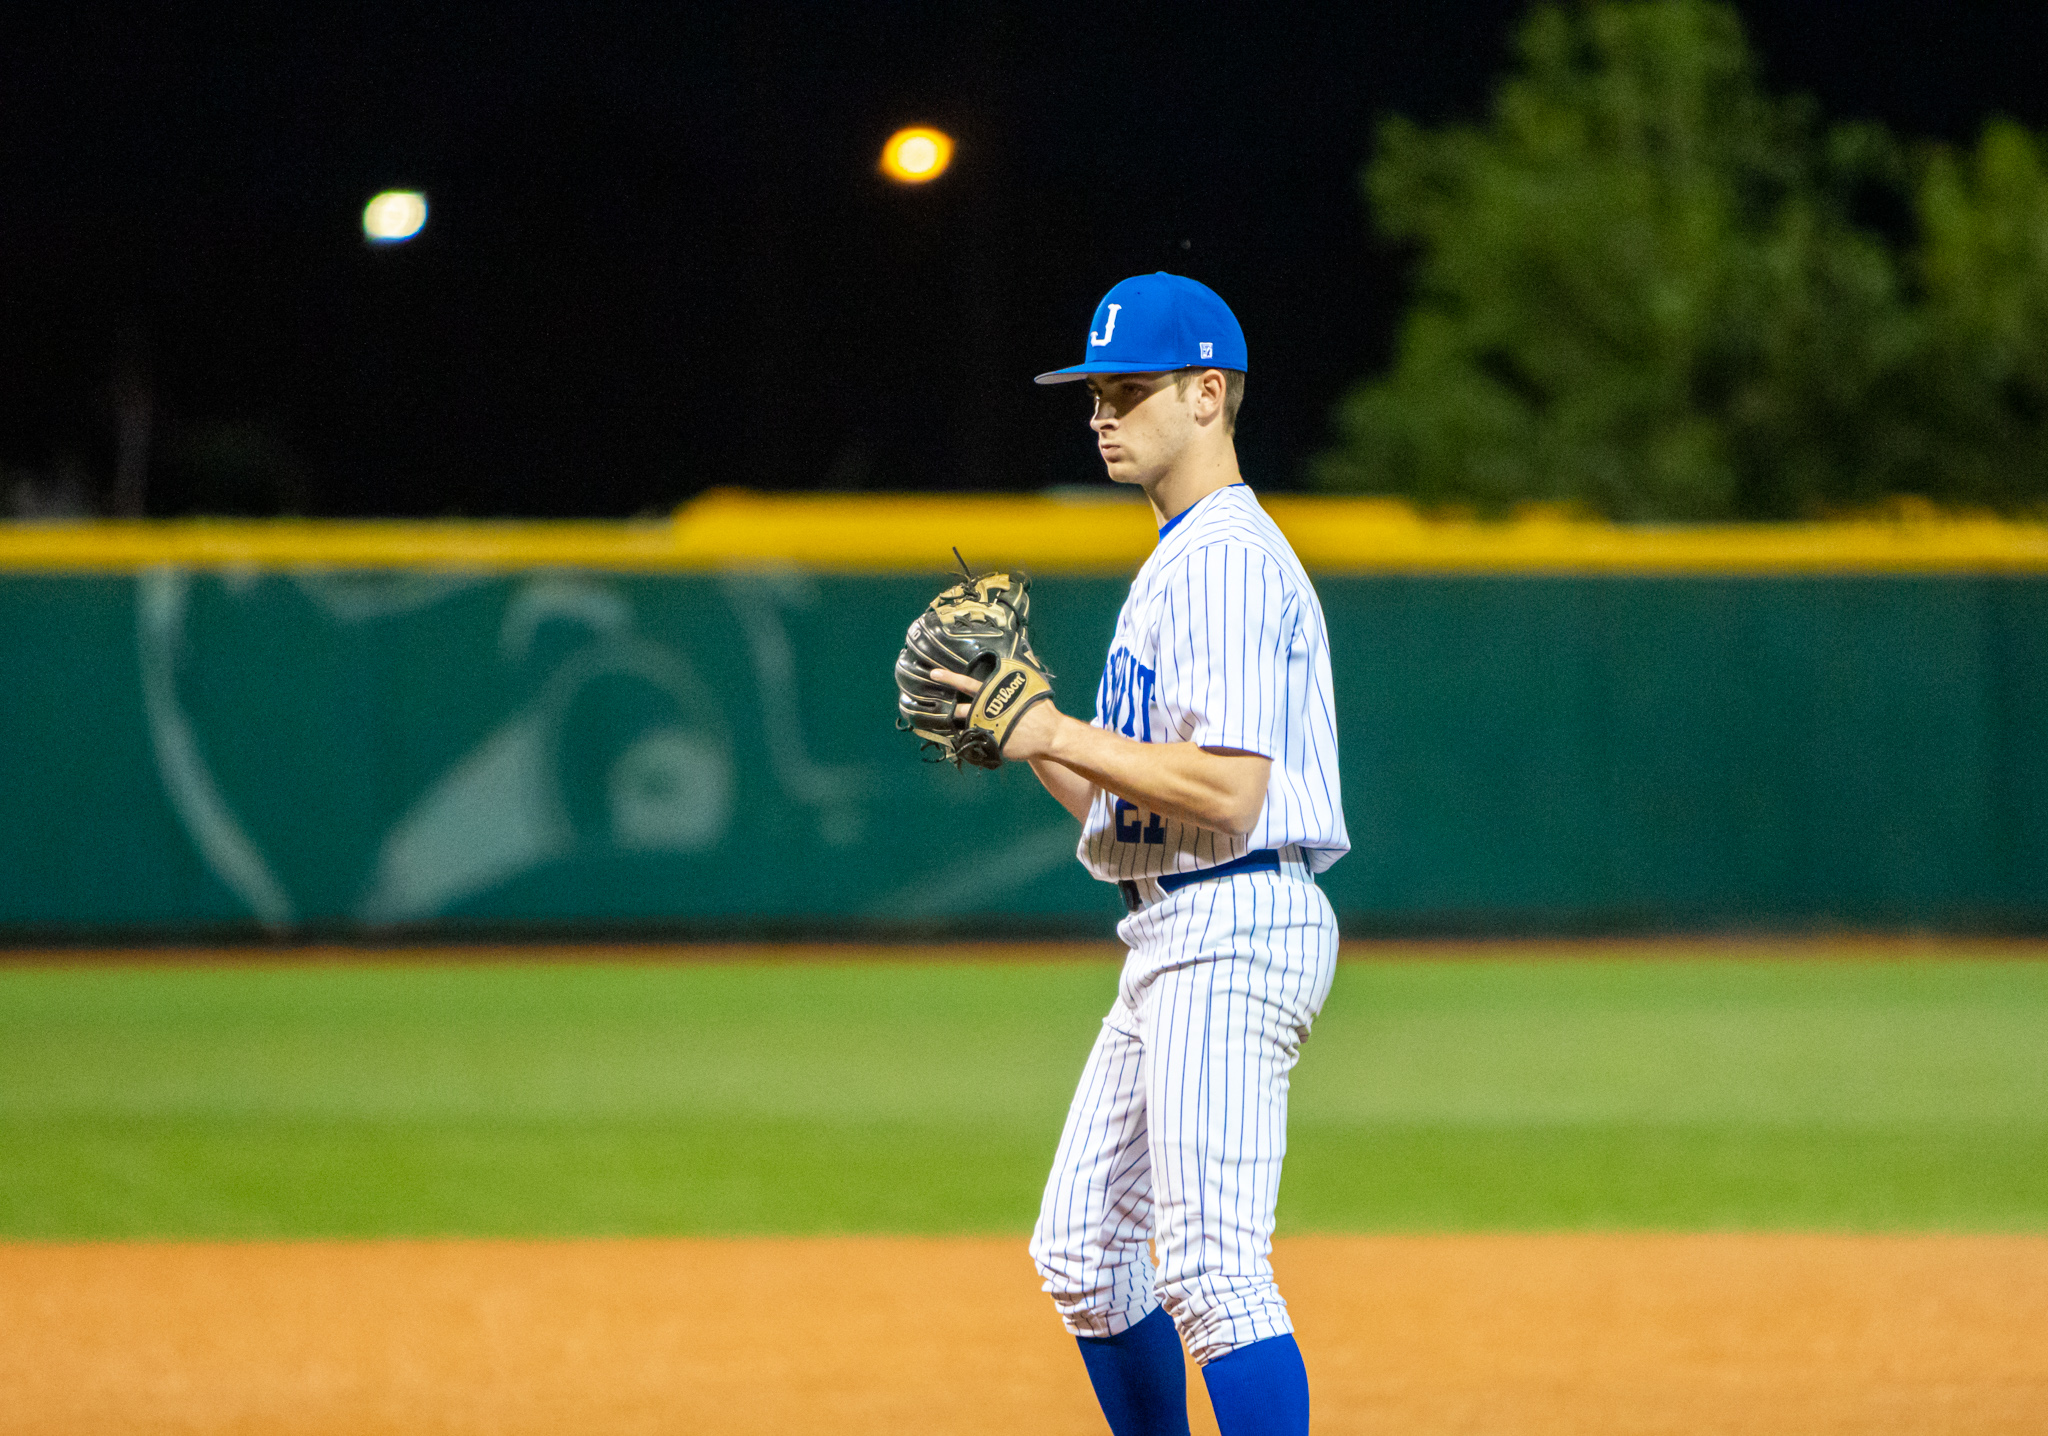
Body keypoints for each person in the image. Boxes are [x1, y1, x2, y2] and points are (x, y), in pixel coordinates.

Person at [933, 272, 1348, 1436]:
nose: (1100, 412)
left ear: (1207, 393)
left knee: (1213, 1271)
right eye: (1093, 392)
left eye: (1128, 389)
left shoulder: (1222, 556)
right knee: (1082, 1249)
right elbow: (1132, 817)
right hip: (1174, 915)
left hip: (1235, 921)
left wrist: (1058, 726)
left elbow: (1228, 788)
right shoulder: (1177, 557)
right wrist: (1028, 731)